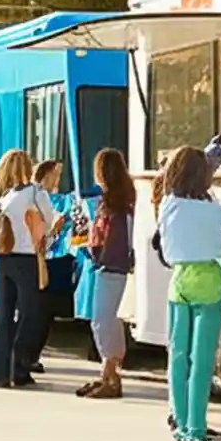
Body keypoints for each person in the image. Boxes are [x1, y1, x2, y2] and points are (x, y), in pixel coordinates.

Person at [158, 146, 221, 441]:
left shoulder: (167, 205)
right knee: (202, 360)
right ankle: (195, 427)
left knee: (178, 356)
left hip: (179, 282)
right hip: (209, 283)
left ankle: (178, 419)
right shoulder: (215, 211)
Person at [0, 149, 50, 389]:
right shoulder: (36, 193)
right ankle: (20, 368)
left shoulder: (1, 198)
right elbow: (48, 222)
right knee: (30, 315)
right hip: (27, 259)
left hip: (3, 259)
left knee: (3, 319)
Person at [77, 148, 136, 399]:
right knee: (112, 321)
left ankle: (111, 376)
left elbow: (100, 239)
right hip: (121, 266)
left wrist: (91, 249)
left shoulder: (109, 204)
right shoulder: (127, 200)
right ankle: (108, 373)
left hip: (110, 266)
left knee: (102, 321)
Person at [27, 160, 63, 374]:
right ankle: (31, 355)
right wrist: (56, 229)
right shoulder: (40, 196)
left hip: (29, 256)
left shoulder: (33, 194)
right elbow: (43, 237)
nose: (58, 180)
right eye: (56, 175)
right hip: (37, 258)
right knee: (40, 311)